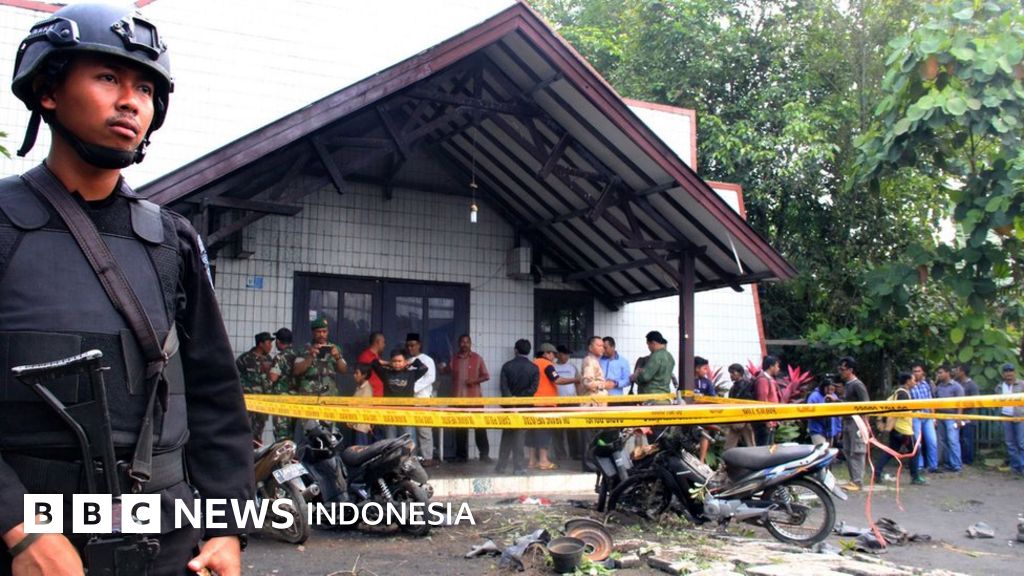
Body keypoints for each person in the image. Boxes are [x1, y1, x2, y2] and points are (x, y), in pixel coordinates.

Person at [0, 5, 252, 574]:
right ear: (47, 89)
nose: (131, 101)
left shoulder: (171, 242)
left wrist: (226, 529)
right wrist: (21, 528)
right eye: (108, 78)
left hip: (164, 542)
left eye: (145, 88)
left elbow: (214, 394)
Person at [495, 339, 539, 475]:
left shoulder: (507, 366)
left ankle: (501, 466)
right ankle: (518, 467)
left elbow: (503, 387)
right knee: (520, 436)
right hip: (524, 407)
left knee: (507, 435)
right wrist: (520, 400)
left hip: (509, 407)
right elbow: (533, 389)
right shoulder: (534, 368)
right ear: (529, 351)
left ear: (515, 350)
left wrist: (511, 401)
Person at [873, 372, 925, 485]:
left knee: (891, 451)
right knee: (915, 451)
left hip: (896, 428)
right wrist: (916, 408)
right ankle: (915, 477)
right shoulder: (903, 394)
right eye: (913, 380)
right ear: (907, 381)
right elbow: (901, 411)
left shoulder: (897, 393)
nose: (915, 382)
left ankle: (876, 472)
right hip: (903, 429)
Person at [449, 334, 491, 462]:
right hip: (458, 400)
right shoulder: (454, 359)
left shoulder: (477, 358)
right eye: (462, 342)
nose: (464, 344)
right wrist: (441, 367)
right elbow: (446, 371)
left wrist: (474, 380)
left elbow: (486, 376)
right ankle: (461, 456)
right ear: (459, 344)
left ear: (470, 344)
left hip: (475, 400)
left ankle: (484, 455)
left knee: (479, 427)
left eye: (467, 342)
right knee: (460, 429)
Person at [371, 348, 427, 441]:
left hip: (406, 413)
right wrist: (388, 363)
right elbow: (374, 363)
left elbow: (424, 368)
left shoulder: (411, 375)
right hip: (389, 413)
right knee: (390, 441)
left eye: (400, 361)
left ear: (405, 361)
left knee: (408, 440)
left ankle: (407, 456)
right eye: (394, 361)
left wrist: (411, 362)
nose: (397, 363)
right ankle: (392, 456)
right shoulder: (386, 374)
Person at [236, 332, 276, 442]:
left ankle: (256, 454)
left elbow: (271, 380)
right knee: (244, 429)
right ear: (260, 344)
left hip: (263, 403)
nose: (271, 346)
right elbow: (236, 379)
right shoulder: (244, 359)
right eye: (268, 343)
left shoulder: (269, 359)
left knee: (258, 432)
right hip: (248, 403)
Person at [405, 333, 437, 466]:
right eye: (408, 346)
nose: (410, 348)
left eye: (412, 345)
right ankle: (410, 459)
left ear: (419, 345)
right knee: (409, 431)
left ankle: (427, 458)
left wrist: (412, 388)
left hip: (422, 400)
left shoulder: (427, 360)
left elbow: (430, 378)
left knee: (424, 430)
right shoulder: (407, 361)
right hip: (409, 401)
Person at [293, 318, 347, 396]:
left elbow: (344, 370)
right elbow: (296, 371)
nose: (322, 334)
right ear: (313, 332)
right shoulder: (304, 349)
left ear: (327, 332)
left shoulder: (335, 348)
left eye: (324, 331)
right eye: (318, 332)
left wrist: (337, 357)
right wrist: (310, 356)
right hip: (309, 394)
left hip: (329, 394)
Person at [838, 356, 869, 491]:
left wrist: (864, 424)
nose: (841, 372)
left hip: (856, 422)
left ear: (850, 370)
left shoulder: (857, 385)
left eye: (843, 369)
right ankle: (853, 479)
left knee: (857, 451)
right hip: (847, 421)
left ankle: (858, 481)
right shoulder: (847, 385)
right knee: (847, 450)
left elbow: (866, 405)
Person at [527, 343, 560, 470]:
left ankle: (531, 461)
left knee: (532, 431)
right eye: (553, 354)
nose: (554, 357)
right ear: (546, 353)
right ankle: (543, 460)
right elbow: (557, 380)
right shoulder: (547, 364)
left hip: (532, 403)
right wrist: (575, 380)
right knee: (544, 432)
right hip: (545, 404)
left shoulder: (532, 363)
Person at [552, 344, 581, 460]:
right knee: (557, 431)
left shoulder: (572, 367)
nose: (567, 356)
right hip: (558, 402)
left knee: (573, 429)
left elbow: (577, 383)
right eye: (564, 354)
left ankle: (575, 453)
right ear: (558, 354)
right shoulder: (552, 367)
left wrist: (580, 399)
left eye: (568, 354)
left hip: (572, 401)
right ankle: (560, 455)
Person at [933, 364, 964, 473]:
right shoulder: (939, 387)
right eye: (938, 373)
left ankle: (956, 464)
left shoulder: (957, 386)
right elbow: (935, 402)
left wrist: (959, 417)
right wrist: (935, 417)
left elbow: (961, 403)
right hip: (940, 416)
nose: (939, 375)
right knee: (942, 441)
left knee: (953, 440)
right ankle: (948, 463)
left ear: (947, 373)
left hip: (952, 416)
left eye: (941, 372)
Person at [909, 361, 939, 474]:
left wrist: (934, 417)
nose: (916, 373)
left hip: (927, 416)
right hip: (915, 416)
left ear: (923, 372)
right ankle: (919, 465)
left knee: (932, 441)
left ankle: (933, 466)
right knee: (917, 443)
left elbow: (931, 401)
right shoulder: (910, 386)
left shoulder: (926, 384)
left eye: (918, 371)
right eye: (914, 371)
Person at [269, 327, 298, 441]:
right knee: (290, 433)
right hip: (296, 400)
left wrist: (268, 369)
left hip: (282, 401)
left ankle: (283, 458)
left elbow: (273, 377)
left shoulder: (280, 357)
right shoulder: (297, 355)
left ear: (279, 341)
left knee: (281, 434)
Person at [998, 363, 1024, 476]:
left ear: (1014, 372)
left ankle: (1022, 467)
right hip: (1005, 416)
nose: (1008, 373)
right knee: (1010, 443)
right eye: (1006, 371)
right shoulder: (999, 387)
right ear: (1003, 374)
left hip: (1020, 416)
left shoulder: (1022, 384)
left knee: (1021, 443)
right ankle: (1015, 467)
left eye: (1010, 371)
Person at [630, 331, 675, 397]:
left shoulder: (655, 356)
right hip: (665, 396)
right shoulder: (670, 357)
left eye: (648, 344)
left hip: (652, 397)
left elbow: (645, 377)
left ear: (653, 343)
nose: (648, 347)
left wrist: (636, 376)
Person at [723, 364, 755, 449]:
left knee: (748, 442)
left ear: (739, 373)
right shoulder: (736, 386)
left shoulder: (744, 386)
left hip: (741, 417)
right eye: (730, 373)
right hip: (739, 417)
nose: (731, 375)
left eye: (733, 373)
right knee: (749, 443)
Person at [753, 355, 783, 446]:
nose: (778, 368)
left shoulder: (769, 379)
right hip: (766, 422)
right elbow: (762, 400)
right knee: (764, 448)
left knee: (769, 447)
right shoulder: (763, 380)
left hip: (771, 420)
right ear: (771, 366)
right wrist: (767, 420)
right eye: (777, 366)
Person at [806, 376, 841, 447]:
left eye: (833, 390)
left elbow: (838, 416)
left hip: (831, 431)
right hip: (818, 430)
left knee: (829, 452)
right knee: (822, 452)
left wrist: (838, 429)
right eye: (829, 389)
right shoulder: (814, 396)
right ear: (824, 387)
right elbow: (809, 413)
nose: (831, 391)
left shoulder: (834, 396)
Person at [954, 363, 978, 466]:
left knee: (967, 439)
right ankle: (961, 460)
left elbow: (976, 402)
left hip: (969, 416)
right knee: (960, 439)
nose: (955, 372)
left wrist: (963, 407)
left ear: (962, 372)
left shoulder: (972, 385)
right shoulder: (957, 383)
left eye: (957, 370)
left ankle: (968, 461)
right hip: (958, 416)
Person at [357, 332, 386, 398]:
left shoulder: (377, 357)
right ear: (378, 342)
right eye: (383, 342)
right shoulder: (365, 356)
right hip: (370, 396)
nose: (384, 345)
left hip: (379, 397)